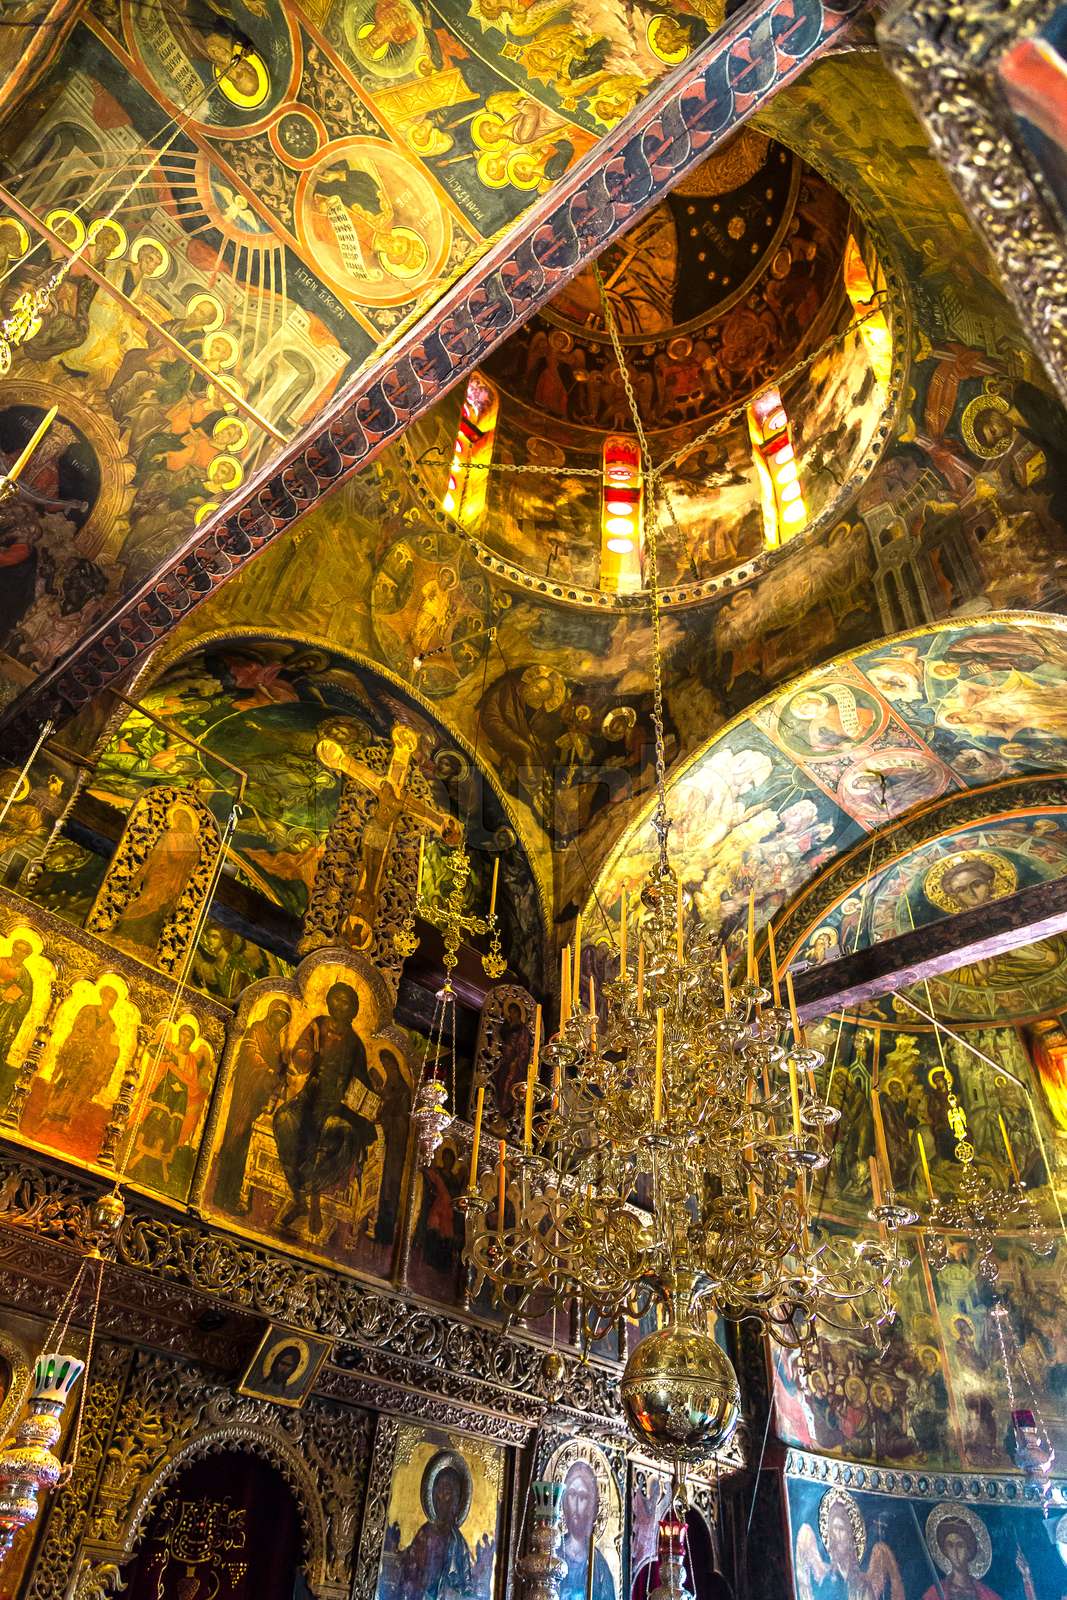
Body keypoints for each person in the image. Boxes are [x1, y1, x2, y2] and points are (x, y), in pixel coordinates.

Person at [273, 982, 378, 1234]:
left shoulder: (355, 1043)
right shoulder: (318, 1025)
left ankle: (314, 1197)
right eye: (338, 1000)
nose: (341, 1006)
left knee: (340, 1136)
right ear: (330, 1001)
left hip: (338, 1105)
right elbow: (300, 1054)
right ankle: (300, 1201)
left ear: (353, 1010)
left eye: (347, 1003)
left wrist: (369, 1098)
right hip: (311, 1097)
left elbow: (361, 1081)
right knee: (284, 1120)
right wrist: (308, 1055)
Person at [214, 1000, 292, 1213]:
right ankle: (221, 1196)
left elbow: (277, 1069)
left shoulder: (276, 1042)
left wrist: (280, 1071)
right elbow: (250, 1053)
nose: (279, 1021)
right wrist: (266, 1070)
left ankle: (233, 1197)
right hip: (245, 1096)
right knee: (234, 1141)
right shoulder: (256, 1029)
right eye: (278, 1016)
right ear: (270, 1014)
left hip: (257, 1099)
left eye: (284, 1020)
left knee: (246, 1148)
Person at [397, 1457, 474, 1600]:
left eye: (447, 1492)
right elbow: (409, 1574)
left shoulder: (458, 1542)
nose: (442, 1498)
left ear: (456, 1499)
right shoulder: (424, 1534)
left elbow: (467, 1586)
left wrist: (453, 1592)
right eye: (439, 1492)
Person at [44, 985, 121, 1123]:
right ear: (102, 996)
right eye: (108, 997)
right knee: (65, 1080)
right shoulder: (89, 1010)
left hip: (91, 1061)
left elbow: (107, 1046)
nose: (109, 1001)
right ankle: (49, 1110)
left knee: (80, 1088)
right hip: (76, 1052)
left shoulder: (111, 1024)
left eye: (112, 999)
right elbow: (77, 1028)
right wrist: (86, 1039)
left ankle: (67, 1116)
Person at [560, 1462, 615, 1600]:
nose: (577, 1504)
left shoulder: (600, 1566)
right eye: (572, 1494)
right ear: (565, 1500)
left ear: (592, 1506)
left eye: (583, 1497)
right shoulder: (554, 1552)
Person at [922, 1512, 1001, 1600]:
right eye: (950, 1545)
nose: (955, 1552)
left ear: (969, 1551)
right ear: (945, 1551)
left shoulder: (987, 1595)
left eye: (960, 1545)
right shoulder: (934, 1593)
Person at [0, 939, 34, 1067]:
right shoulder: (1, 962)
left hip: (6, 1013)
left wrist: (15, 998)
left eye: (24, 952)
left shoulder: (25, 976)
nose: (19, 953)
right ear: (13, 948)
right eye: (18, 949)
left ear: (27, 955)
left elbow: (26, 997)